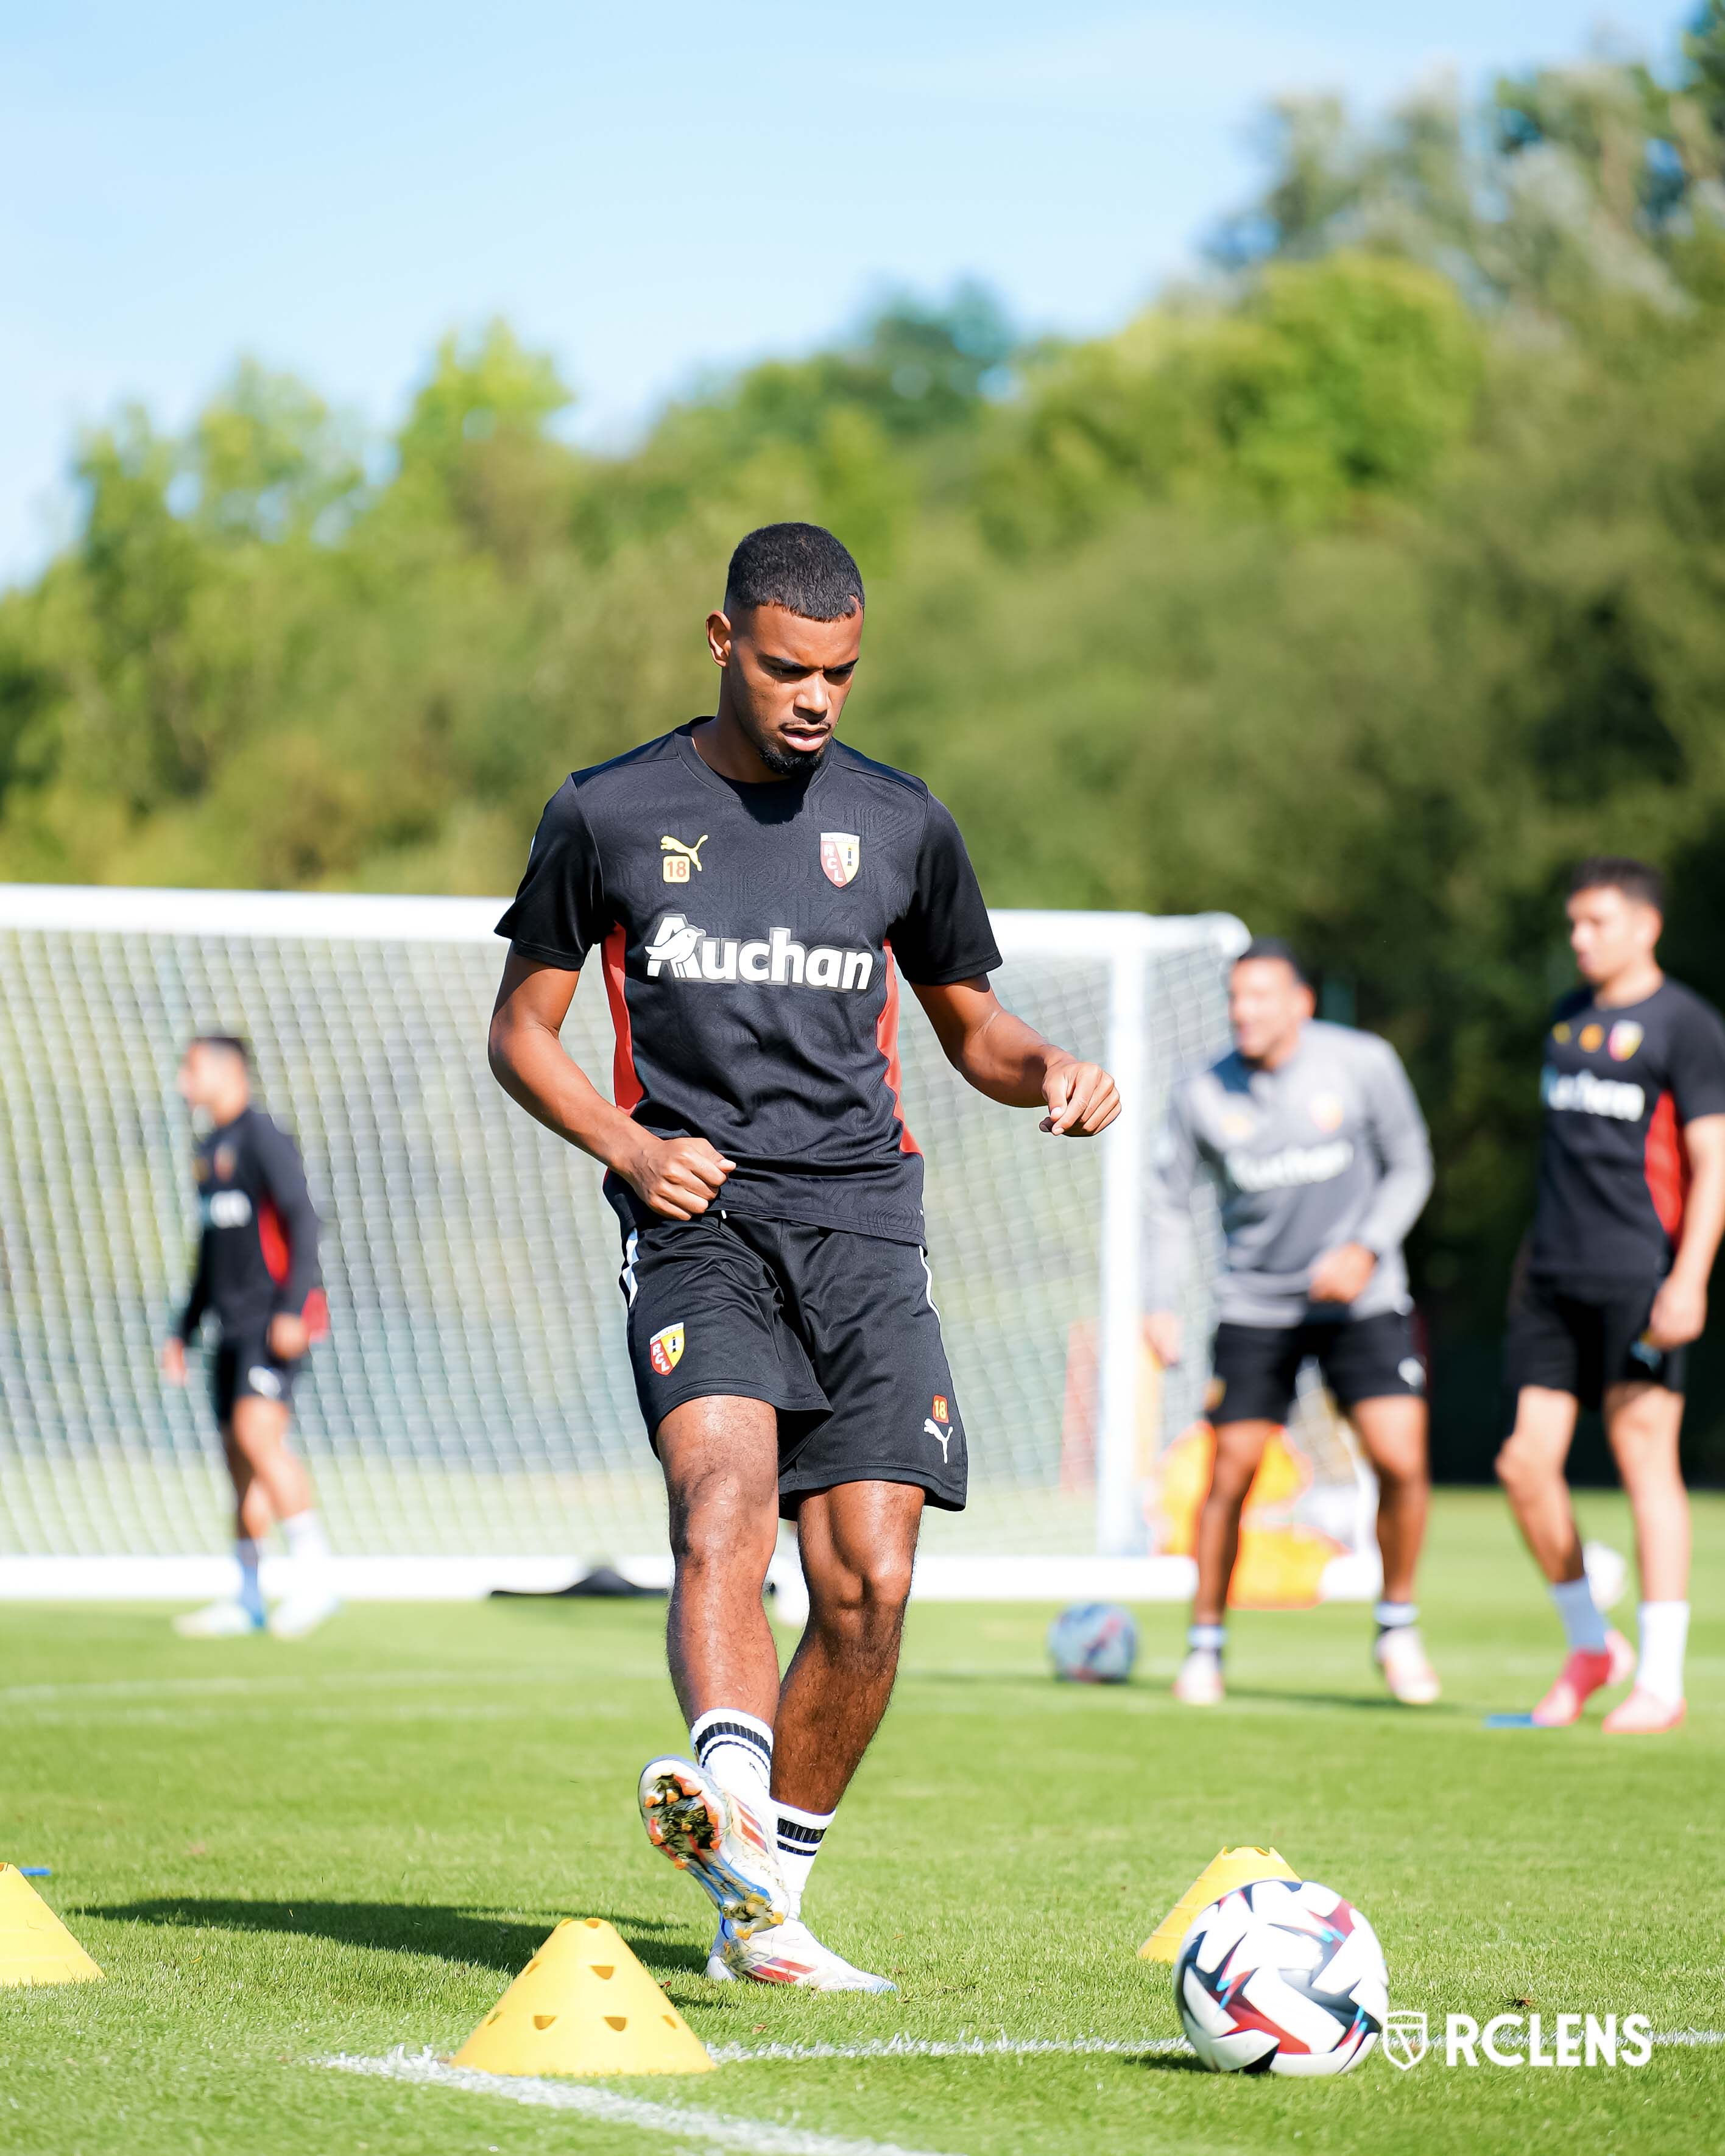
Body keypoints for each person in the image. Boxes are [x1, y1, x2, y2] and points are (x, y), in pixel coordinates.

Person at [487, 522, 1119, 1992]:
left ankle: (764, 1902)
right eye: (786, 668)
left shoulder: (902, 824)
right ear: (723, 642)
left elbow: (974, 1028)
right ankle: (727, 1800)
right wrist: (628, 1146)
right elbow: (522, 1030)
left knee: (869, 1585)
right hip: (696, 1221)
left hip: (866, 1228)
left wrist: (1052, 1071)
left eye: (839, 671)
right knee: (725, 1502)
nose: (816, 697)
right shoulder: (607, 812)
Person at [1144, 938, 1439, 1708]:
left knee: (1401, 1457)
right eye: (1235, 997)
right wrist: (1160, 1301)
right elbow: (1168, 1201)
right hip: (1257, 1307)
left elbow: (1412, 1165)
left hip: (1362, 1300)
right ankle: (1205, 1646)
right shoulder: (1202, 1091)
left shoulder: (1363, 1064)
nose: (1243, 1012)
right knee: (1231, 1471)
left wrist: (1366, 1247)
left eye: (1261, 997)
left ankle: (1397, 1626)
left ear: (1301, 1004)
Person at [1495, 858, 1725, 1734]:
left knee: (1644, 1461)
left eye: (1596, 922)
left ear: (1645, 926)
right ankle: (1591, 1646)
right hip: (1551, 1279)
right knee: (1524, 1464)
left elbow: (1713, 1162)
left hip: (1640, 1278)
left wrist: (1690, 1277)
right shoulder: (1567, 1019)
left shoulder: (1687, 1025)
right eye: (1574, 924)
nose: (1579, 938)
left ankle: (1660, 1682)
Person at [160, 1035, 337, 1639]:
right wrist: (183, 1330)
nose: (182, 1082)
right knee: (237, 1460)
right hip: (229, 1326)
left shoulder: (264, 1137)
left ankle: (316, 1580)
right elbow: (210, 1248)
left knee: (258, 1436)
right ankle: (248, 1596)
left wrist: (293, 1308)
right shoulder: (209, 1149)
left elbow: (304, 1221)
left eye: (191, 1069)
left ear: (226, 1070)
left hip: (273, 1319)